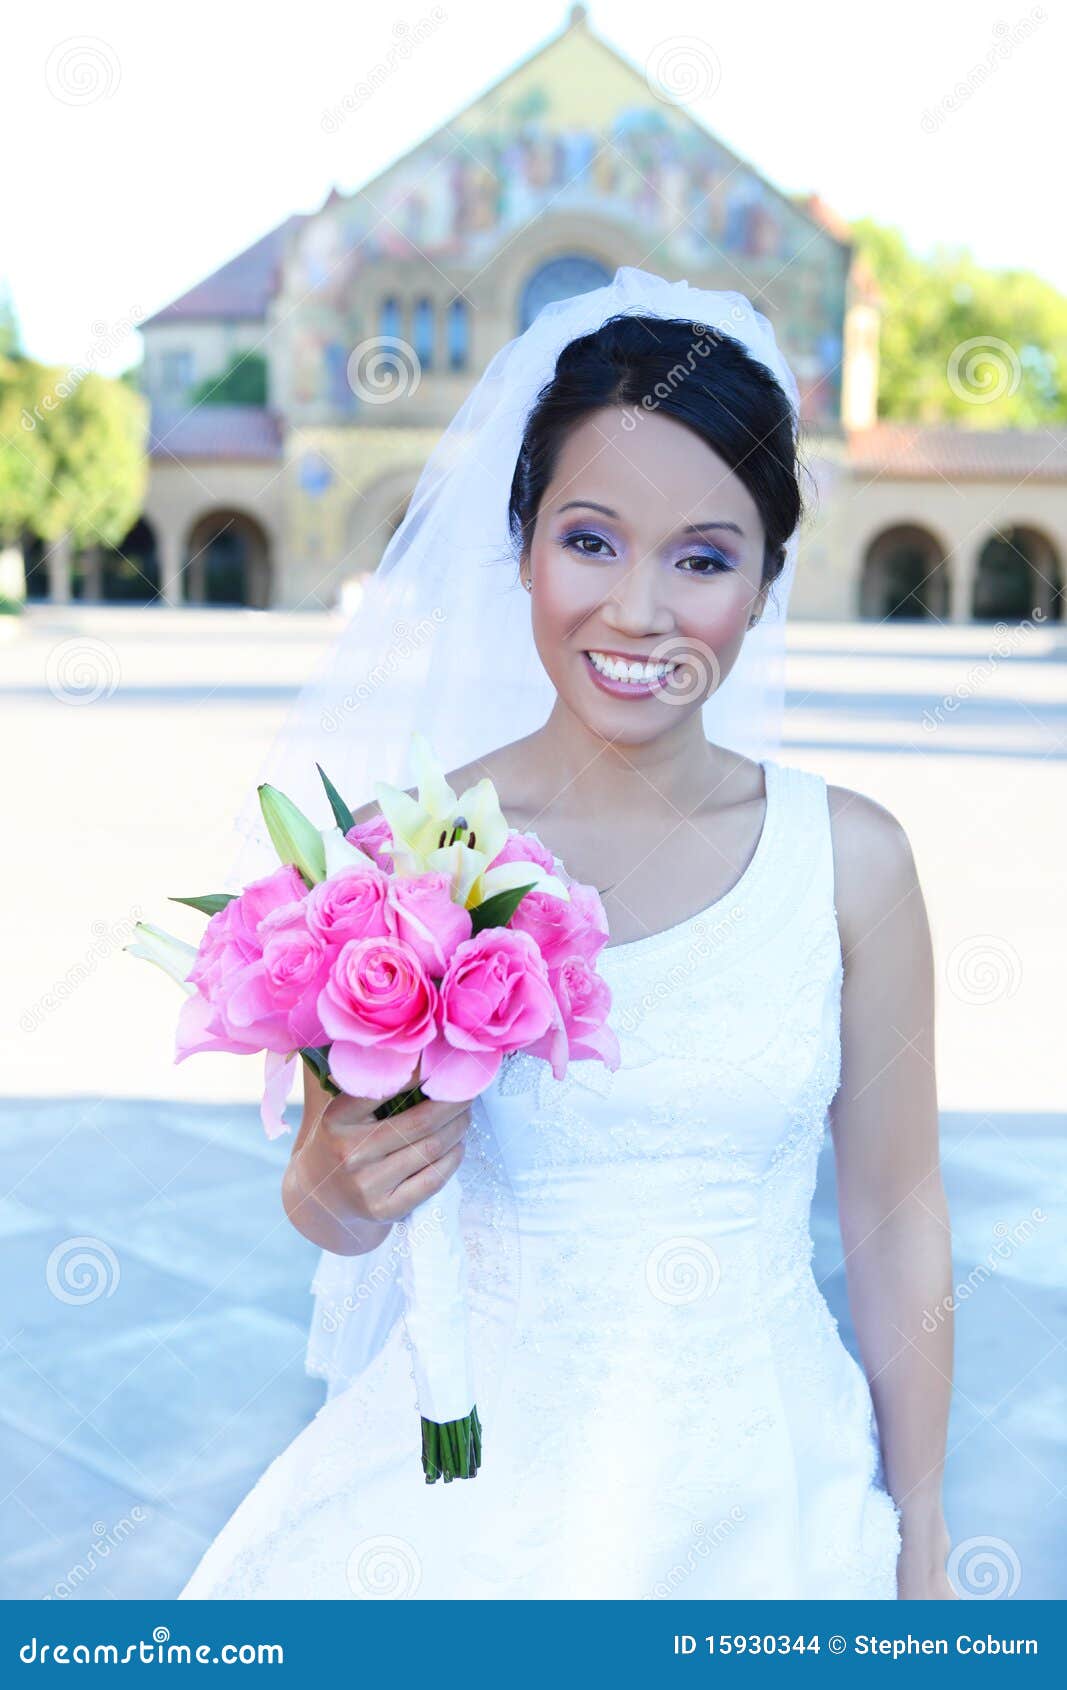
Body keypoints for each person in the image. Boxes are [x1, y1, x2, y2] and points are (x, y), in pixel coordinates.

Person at [178, 269, 954, 1600]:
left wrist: (926, 1537)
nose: (639, 610)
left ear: (763, 583)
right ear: (525, 546)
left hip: (767, 1486)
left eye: (703, 558)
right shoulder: (403, 853)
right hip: (464, 1499)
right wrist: (338, 1174)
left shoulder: (855, 862)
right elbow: (328, 1203)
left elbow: (894, 1212)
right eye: (592, 540)